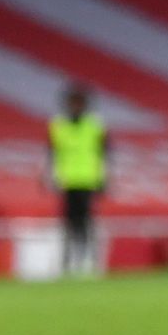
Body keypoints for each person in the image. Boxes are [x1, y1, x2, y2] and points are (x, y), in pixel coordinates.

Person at [49, 83, 108, 277]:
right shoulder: (58, 126)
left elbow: (104, 154)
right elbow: (52, 153)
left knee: (86, 223)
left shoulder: (95, 126)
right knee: (68, 223)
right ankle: (68, 263)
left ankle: (89, 262)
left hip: (88, 179)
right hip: (67, 180)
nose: (75, 107)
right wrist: (51, 176)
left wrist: (103, 178)